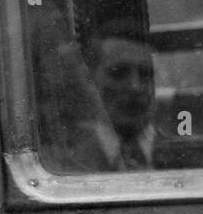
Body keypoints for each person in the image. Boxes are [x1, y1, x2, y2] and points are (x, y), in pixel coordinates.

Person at [55, 20, 158, 172]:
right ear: (90, 80)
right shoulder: (59, 163)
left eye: (145, 75)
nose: (135, 87)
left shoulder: (185, 154)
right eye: (118, 73)